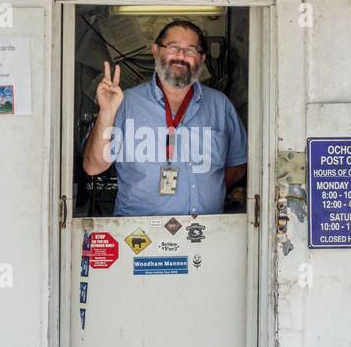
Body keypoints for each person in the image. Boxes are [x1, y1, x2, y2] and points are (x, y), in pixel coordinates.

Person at [81, 19, 248, 217]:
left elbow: (238, 164)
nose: (181, 56)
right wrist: (107, 111)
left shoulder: (220, 105)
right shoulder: (125, 104)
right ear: (156, 51)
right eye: (173, 47)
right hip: (139, 237)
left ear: (202, 59)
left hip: (207, 234)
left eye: (191, 50)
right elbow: (93, 167)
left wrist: (211, 190)